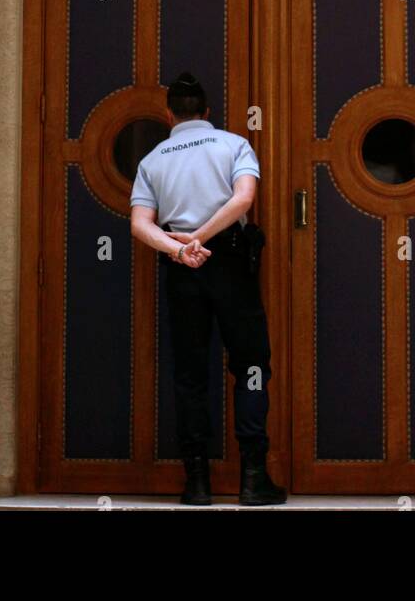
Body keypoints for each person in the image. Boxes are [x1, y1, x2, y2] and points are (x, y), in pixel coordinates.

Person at [129, 72, 287, 507]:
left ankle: (196, 483)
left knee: (190, 374)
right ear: (207, 112)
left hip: (183, 267)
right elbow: (243, 200)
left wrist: (181, 249)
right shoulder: (233, 144)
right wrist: (205, 236)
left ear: (169, 115)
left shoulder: (152, 160)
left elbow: (140, 224)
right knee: (252, 364)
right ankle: (254, 479)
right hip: (230, 261)